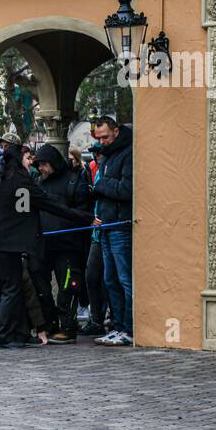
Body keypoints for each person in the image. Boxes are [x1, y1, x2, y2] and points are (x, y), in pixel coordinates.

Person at [0, 133, 92, 349]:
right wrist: (87, 217)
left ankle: (17, 334)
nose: (32, 162)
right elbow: (51, 205)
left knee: (12, 286)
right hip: (8, 246)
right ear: (19, 161)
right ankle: (1, 336)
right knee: (12, 287)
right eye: (27, 159)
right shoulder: (23, 184)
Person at [32, 143, 92, 342]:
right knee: (42, 288)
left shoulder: (74, 182)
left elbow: (85, 213)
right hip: (43, 245)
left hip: (67, 245)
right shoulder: (39, 183)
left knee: (68, 287)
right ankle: (50, 325)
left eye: (43, 164)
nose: (40, 168)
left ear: (53, 163)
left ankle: (67, 327)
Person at [91, 116, 135, 347]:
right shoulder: (107, 156)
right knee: (110, 280)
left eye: (105, 137)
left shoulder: (128, 153)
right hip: (107, 225)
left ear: (116, 131)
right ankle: (117, 327)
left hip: (121, 226)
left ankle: (129, 329)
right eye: (99, 138)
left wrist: (101, 185)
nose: (102, 142)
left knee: (125, 279)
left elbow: (127, 189)